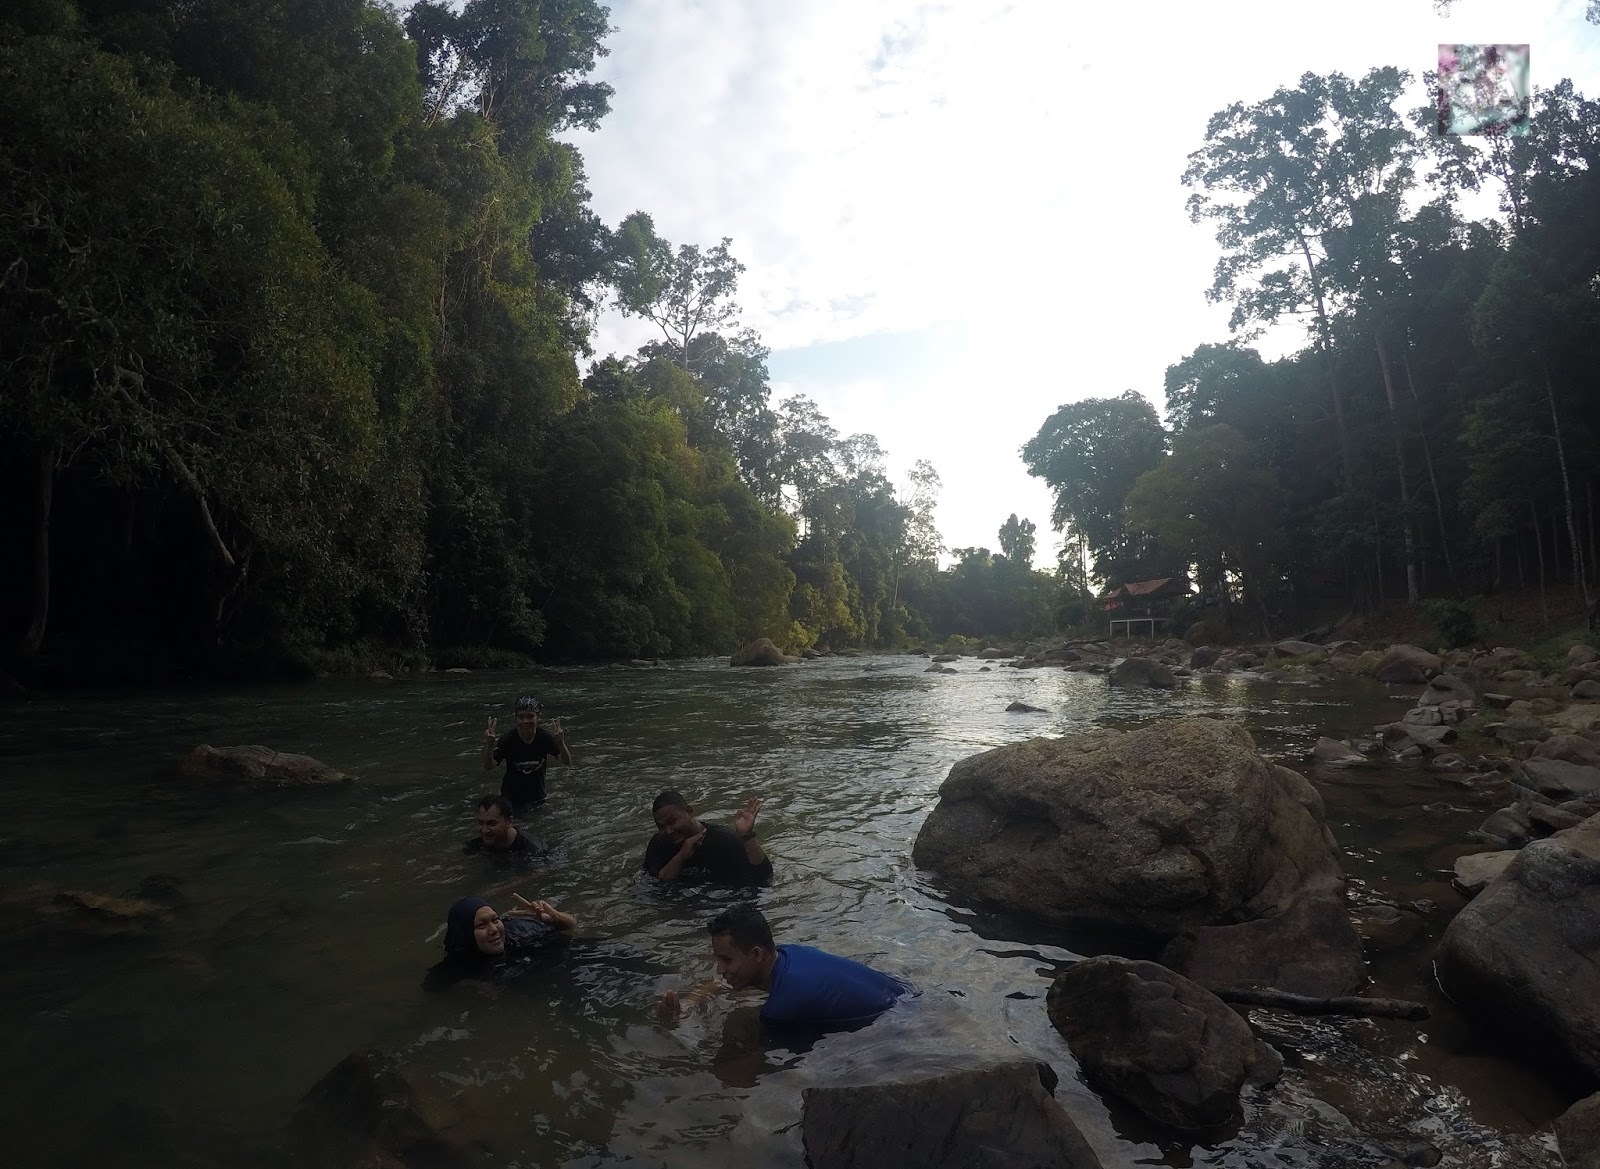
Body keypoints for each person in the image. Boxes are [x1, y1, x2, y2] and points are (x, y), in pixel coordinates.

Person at [656, 904, 912, 1028]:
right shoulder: (789, 953)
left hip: (898, 1027)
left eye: (726, 959)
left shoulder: (780, 1009)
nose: (720, 969)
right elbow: (720, 982)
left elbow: (760, 1070)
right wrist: (692, 1001)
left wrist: (674, 1031)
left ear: (756, 954)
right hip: (909, 999)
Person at [423, 893, 577, 993]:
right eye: (481, 925)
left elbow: (571, 924)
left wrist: (554, 917)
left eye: (495, 920)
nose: (494, 930)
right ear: (465, 934)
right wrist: (468, 984)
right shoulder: (456, 965)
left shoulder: (519, 931)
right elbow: (432, 988)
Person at [643, 791, 772, 886]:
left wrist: (747, 836)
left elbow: (763, 878)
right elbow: (654, 887)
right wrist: (681, 857)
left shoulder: (725, 841)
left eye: (672, 821)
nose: (668, 830)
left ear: (689, 811)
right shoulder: (659, 843)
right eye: (661, 826)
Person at [483, 695, 572, 813]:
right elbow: (489, 766)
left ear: (538, 717)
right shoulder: (508, 740)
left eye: (530, 716)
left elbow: (566, 761)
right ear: (516, 718)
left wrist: (560, 742)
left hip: (538, 797)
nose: (525, 721)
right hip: (510, 799)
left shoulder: (544, 738)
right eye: (521, 717)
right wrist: (489, 746)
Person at [462, 795, 547, 864]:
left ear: (509, 821)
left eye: (492, 823)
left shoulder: (533, 851)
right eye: (481, 823)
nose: (484, 830)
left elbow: (540, 873)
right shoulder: (476, 845)